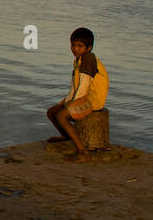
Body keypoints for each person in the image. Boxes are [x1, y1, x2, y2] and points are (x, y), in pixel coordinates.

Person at [45, 27, 109, 162]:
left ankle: (83, 152)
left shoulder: (88, 58)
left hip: (93, 100)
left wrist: (72, 103)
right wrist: (65, 101)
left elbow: (84, 84)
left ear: (89, 47)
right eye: (73, 45)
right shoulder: (78, 60)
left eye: (79, 46)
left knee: (62, 116)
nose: (75, 49)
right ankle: (67, 135)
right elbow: (75, 86)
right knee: (52, 112)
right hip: (83, 96)